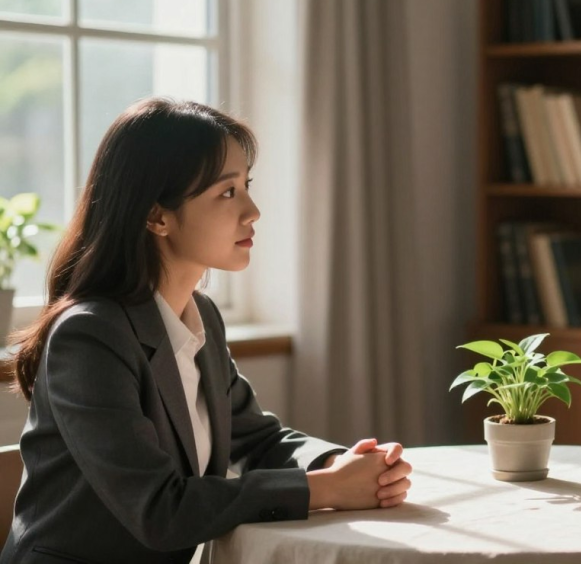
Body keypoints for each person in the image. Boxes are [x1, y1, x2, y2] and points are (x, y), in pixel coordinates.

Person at [1, 98, 413, 564]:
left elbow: (256, 438)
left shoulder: (201, 317)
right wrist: (324, 489)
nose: (253, 210)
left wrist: (336, 463)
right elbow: (159, 509)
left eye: (246, 186)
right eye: (227, 192)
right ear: (157, 216)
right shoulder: (90, 337)